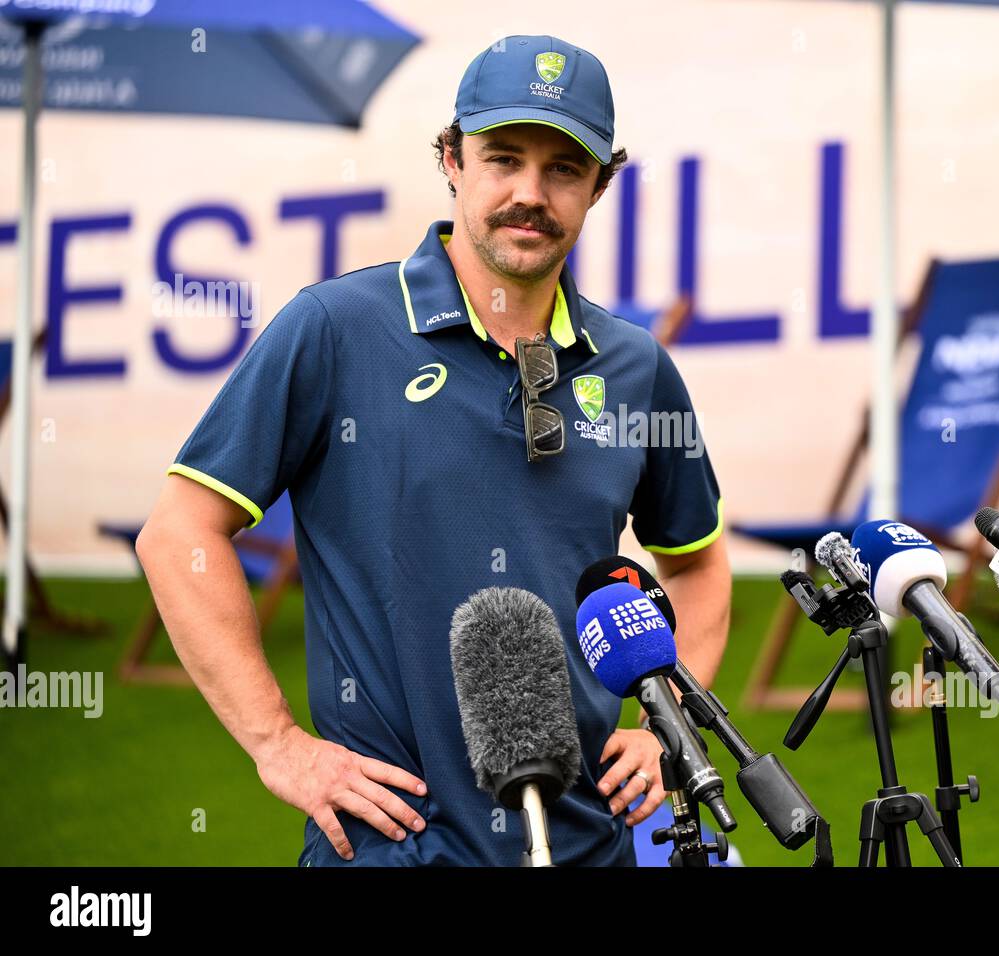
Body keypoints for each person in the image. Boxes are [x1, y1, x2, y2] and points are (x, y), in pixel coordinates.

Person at [136, 34, 731, 866]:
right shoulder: (336, 327)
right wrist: (279, 743)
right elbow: (179, 533)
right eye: (503, 158)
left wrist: (662, 718)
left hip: (588, 842)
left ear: (599, 186)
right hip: (393, 846)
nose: (531, 193)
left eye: (564, 169)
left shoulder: (635, 366)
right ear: (452, 159)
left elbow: (697, 564)